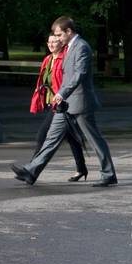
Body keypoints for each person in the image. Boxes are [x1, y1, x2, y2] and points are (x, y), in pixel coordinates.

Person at [12, 17, 117, 187]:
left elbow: (79, 75)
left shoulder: (82, 47)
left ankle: (109, 174)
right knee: (50, 139)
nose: (58, 39)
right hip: (66, 105)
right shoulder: (69, 47)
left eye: (60, 35)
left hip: (80, 103)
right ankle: (31, 172)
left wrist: (62, 92)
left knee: (94, 139)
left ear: (69, 31)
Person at [29, 29, 87, 182]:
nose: (51, 44)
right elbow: (43, 82)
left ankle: (31, 170)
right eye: (49, 42)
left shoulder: (64, 59)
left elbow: (67, 81)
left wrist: (62, 96)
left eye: (54, 41)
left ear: (61, 43)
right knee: (72, 138)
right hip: (52, 103)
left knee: (42, 136)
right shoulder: (48, 59)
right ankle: (81, 169)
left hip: (62, 104)